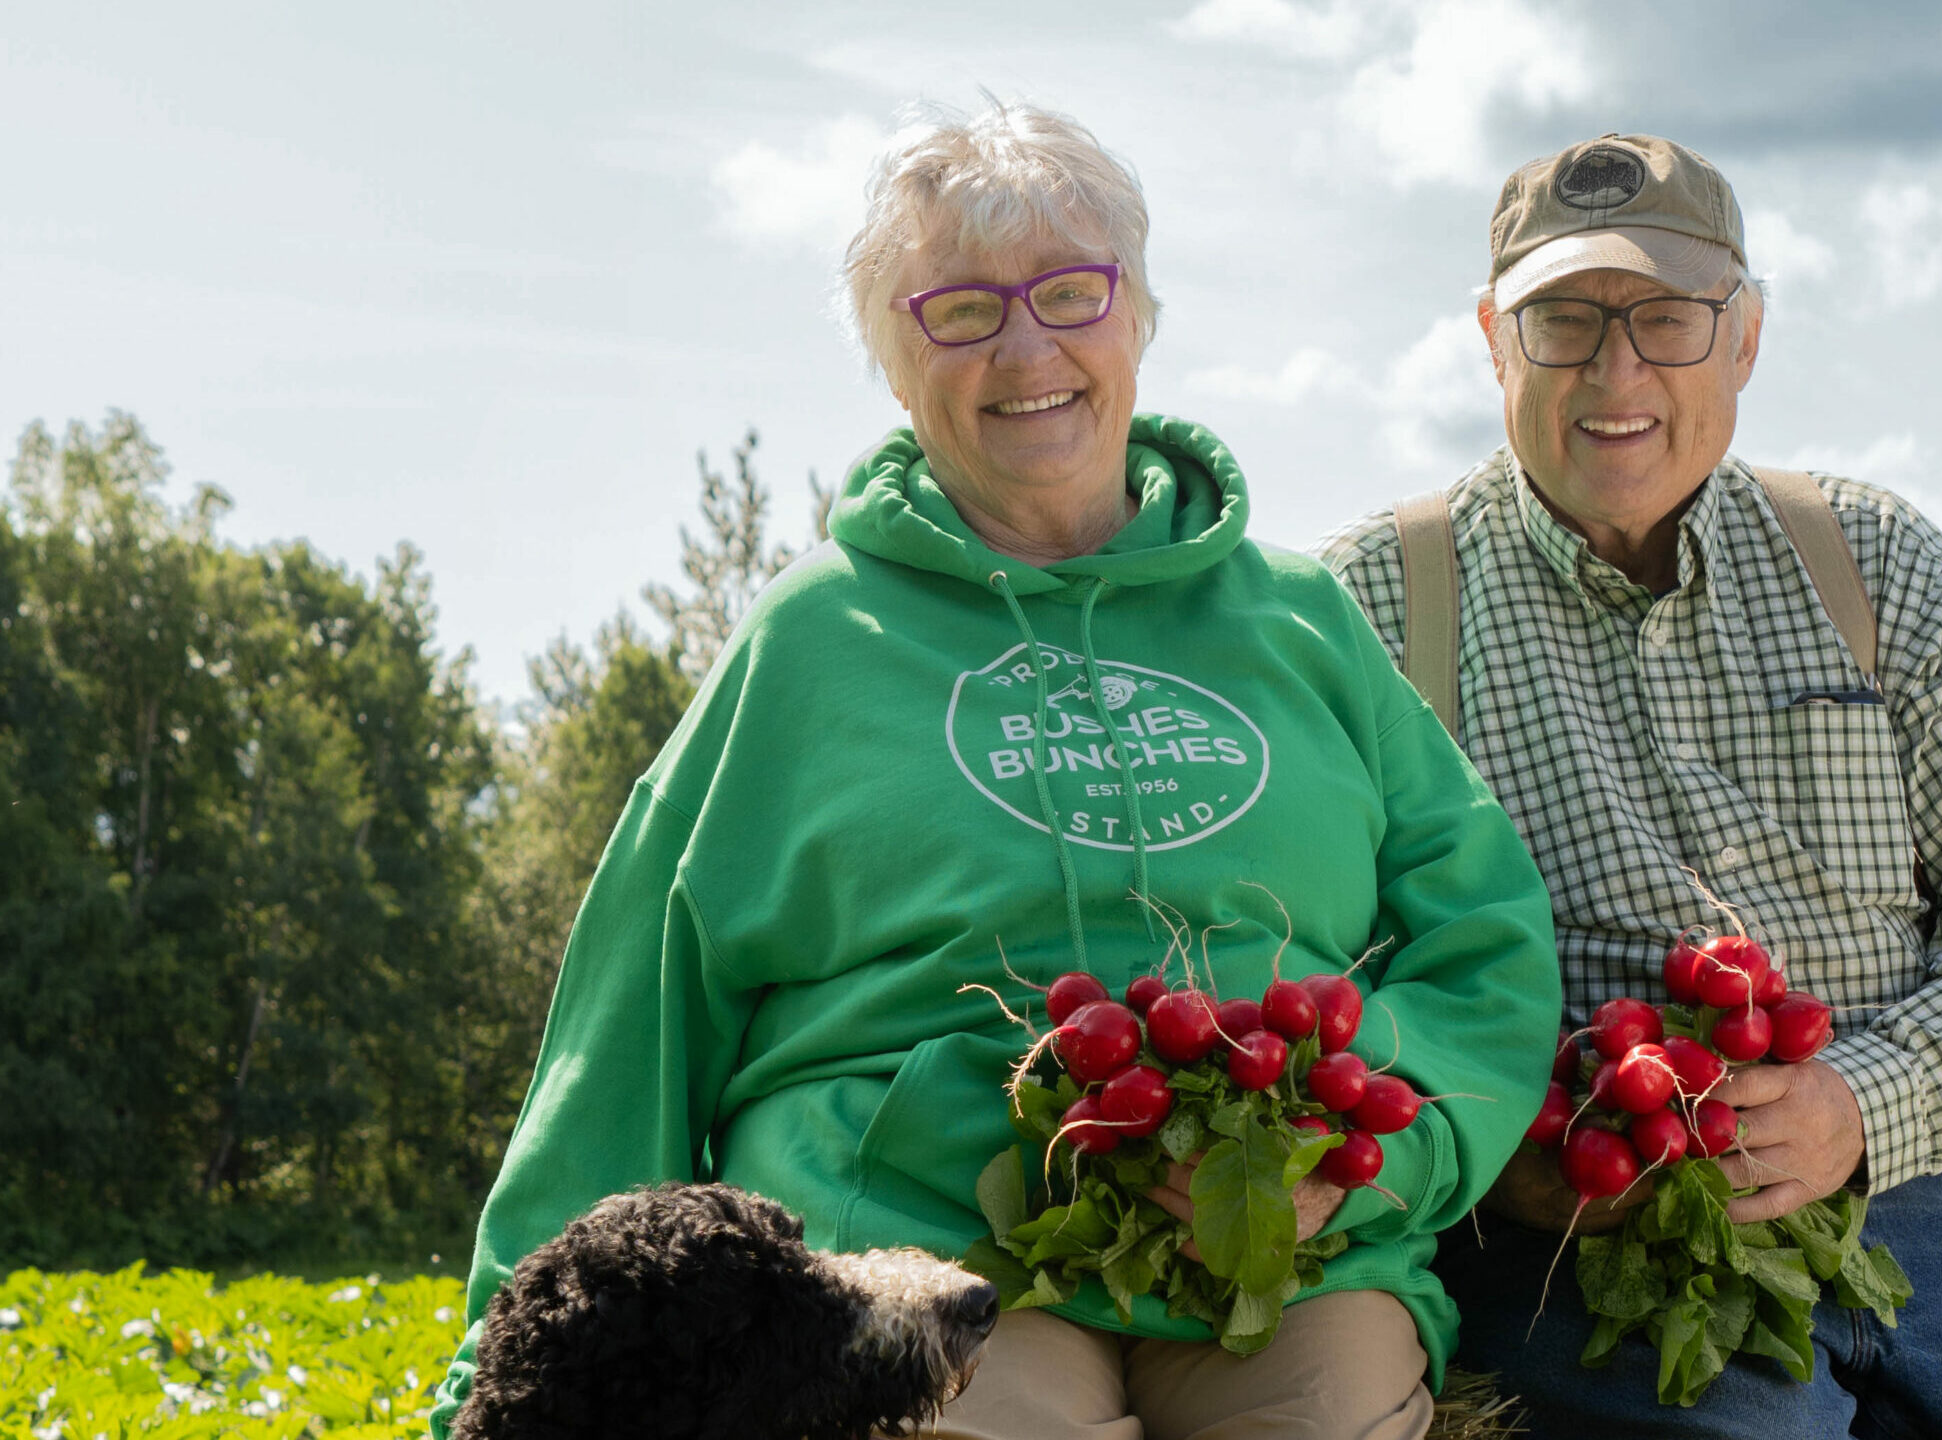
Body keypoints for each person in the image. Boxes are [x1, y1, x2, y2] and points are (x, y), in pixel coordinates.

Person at [428, 101, 1562, 1440]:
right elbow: (636, 1014)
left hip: (1285, 1258)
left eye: (1072, 292)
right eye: (960, 310)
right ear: (897, 362)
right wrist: (499, 1371)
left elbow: (1482, 939)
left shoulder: (1301, 619)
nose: (1029, 347)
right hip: (915, 1237)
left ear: (1138, 314)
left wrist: (1365, 1166)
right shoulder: (810, 641)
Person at [1317, 133, 1942, 1437]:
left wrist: (1861, 1103)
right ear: (1494, 343)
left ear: (1746, 340)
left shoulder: (1874, 564)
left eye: (1668, 320)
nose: (1617, 372)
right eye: (1563, 323)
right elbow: (1302, 964)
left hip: (1918, 1197)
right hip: (1576, 1223)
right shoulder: (1378, 605)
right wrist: (1497, 1149)